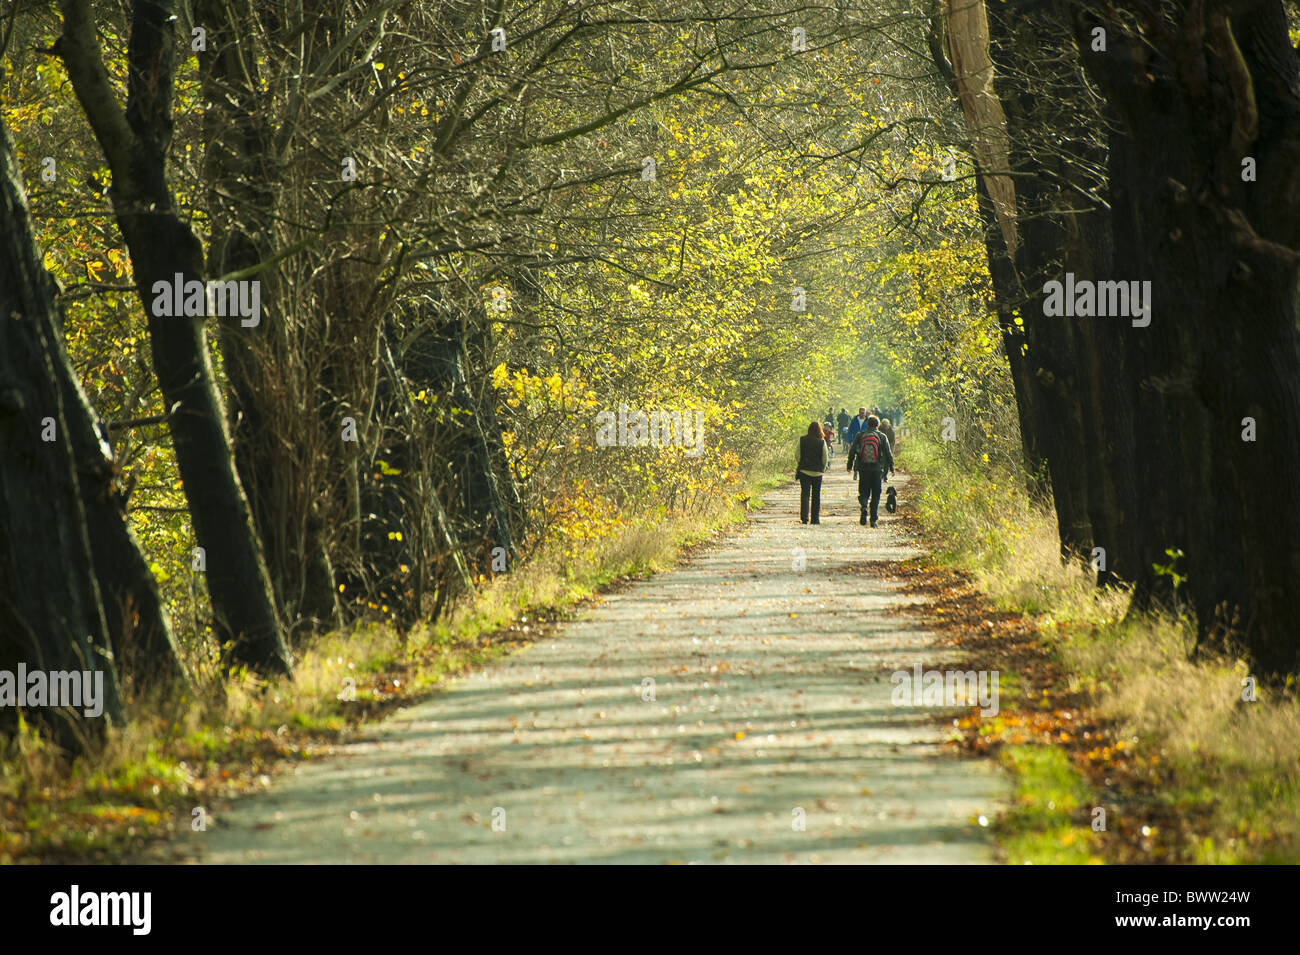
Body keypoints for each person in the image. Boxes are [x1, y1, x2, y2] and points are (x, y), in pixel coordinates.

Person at [846, 414, 894, 527]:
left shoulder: (860, 435)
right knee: (876, 494)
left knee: (863, 491)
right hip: (877, 469)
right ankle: (873, 519)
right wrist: (891, 467)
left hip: (863, 468)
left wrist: (849, 465)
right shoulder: (882, 436)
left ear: (867, 424)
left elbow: (852, 451)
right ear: (878, 425)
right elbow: (888, 453)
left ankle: (863, 507)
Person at [796, 420, 828, 524]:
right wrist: (822, 467)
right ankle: (815, 519)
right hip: (817, 472)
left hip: (804, 471)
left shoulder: (802, 440)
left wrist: (801, 463)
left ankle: (804, 518)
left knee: (805, 494)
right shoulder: (822, 442)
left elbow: (797, 455)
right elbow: (825, 458)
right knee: (816, 495)